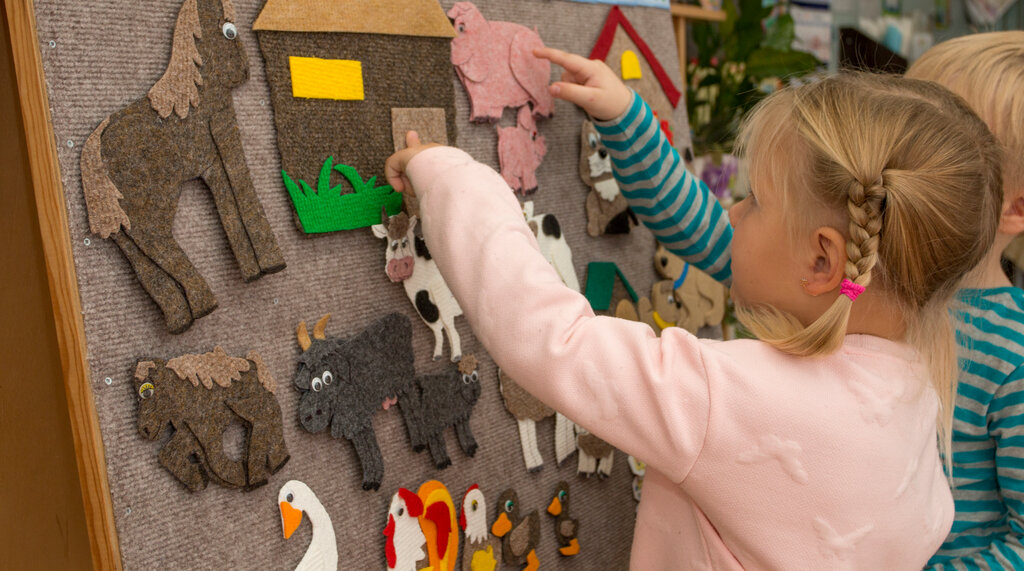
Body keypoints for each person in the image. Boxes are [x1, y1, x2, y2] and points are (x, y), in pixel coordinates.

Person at [384, 50, 1003, 569]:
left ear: (823, 262)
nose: (732, 214)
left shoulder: (727, 395)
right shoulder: (917, 391)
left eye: (752, 201)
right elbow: (709, 232)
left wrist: (452, 180)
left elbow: (550, 338)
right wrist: (629, 120)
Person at [906, 33, 1024, 569]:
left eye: (936, 155)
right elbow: (729, 248)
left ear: (1012, 209)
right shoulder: (873, 287)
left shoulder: (1013, 357)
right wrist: (630, 122)